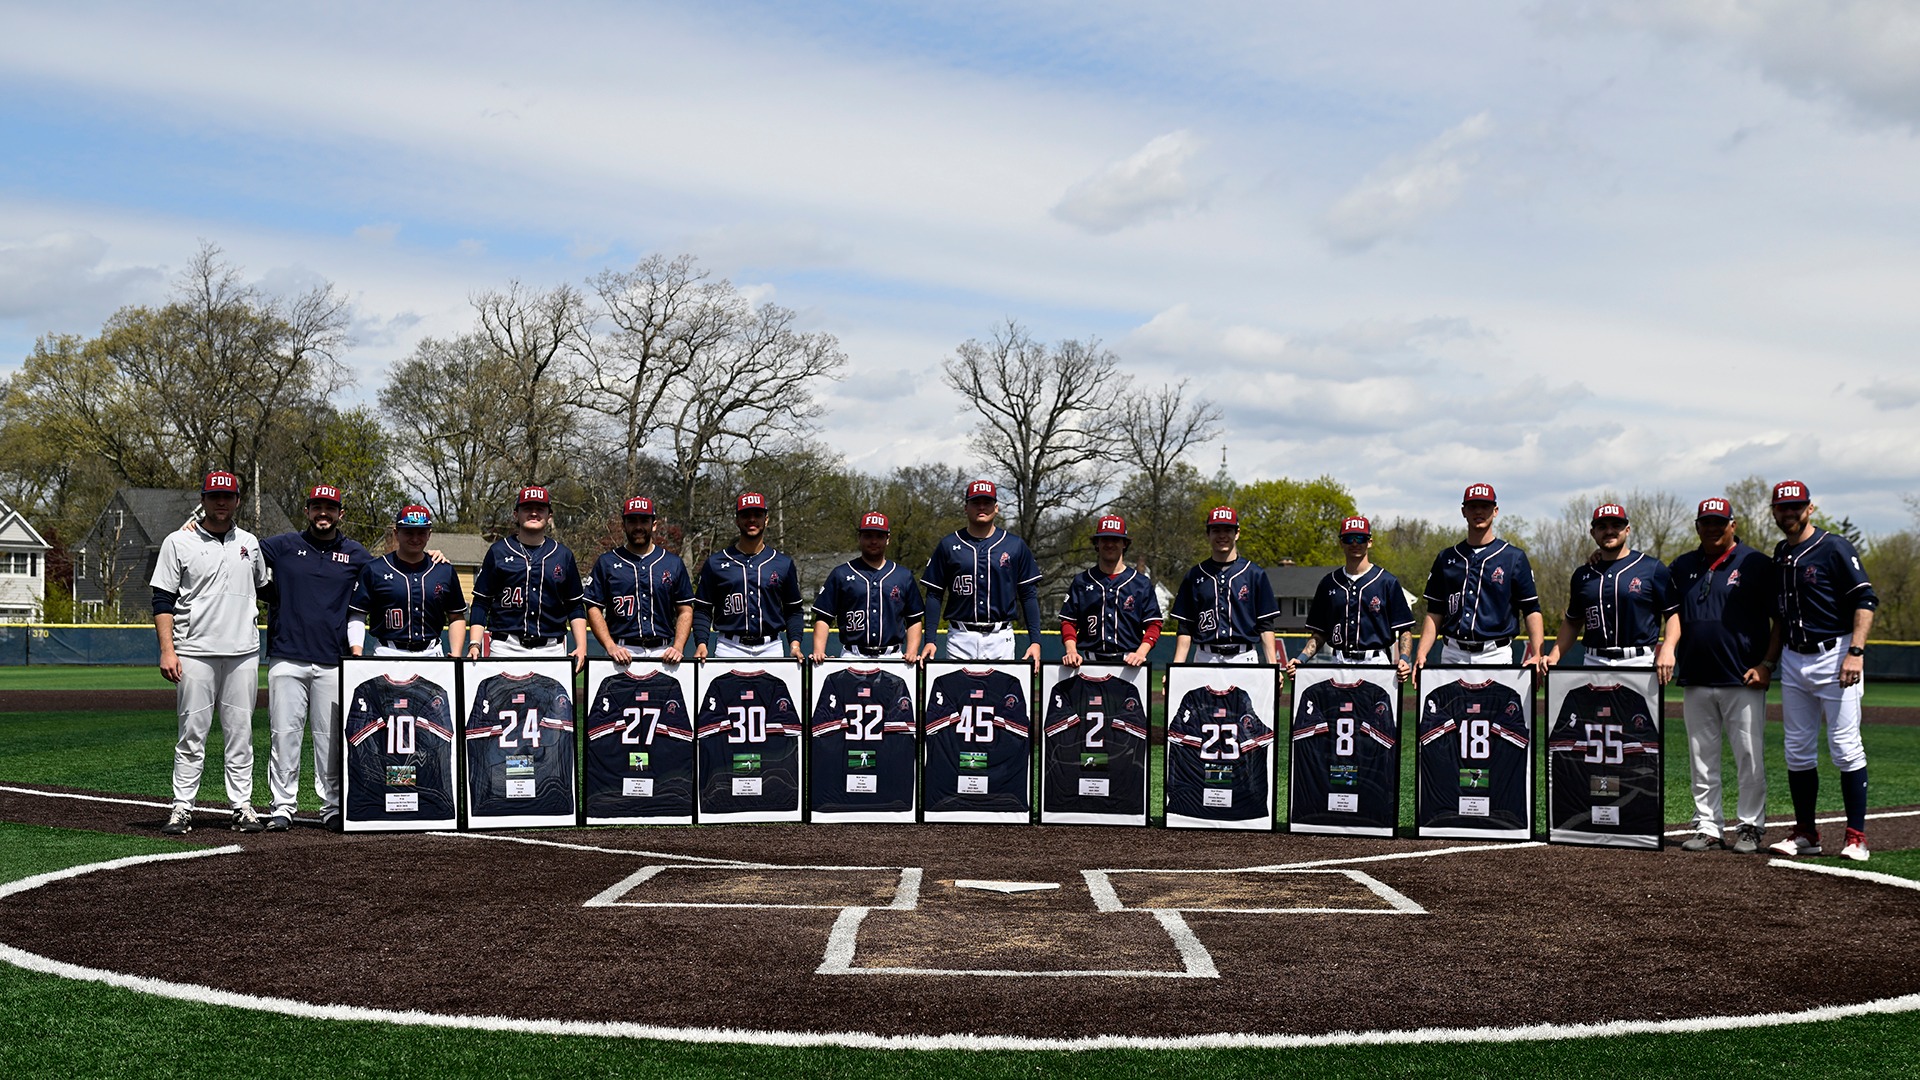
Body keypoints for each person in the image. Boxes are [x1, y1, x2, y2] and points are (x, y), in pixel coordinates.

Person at [151, 471, 271, 835]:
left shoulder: (249, 542)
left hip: (243, 651)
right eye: (214, 496)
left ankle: (242, 806)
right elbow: (162, 599)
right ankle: (182, 806)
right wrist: (167, 650)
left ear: (237, 501)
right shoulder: (178, 541)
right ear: (203, 499)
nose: (221, 502)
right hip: (194, 651)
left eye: (228, 496)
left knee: (241, 734)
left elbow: (266, 588)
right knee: (192, 733)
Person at [1764, 480, 1877, 862]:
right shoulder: (1781, 553)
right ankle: (1806, 833)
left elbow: (1865, 599)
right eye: (1782, 507)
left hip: (1835, 654)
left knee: (1845, 747)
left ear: (1809, 508)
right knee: (1797, 750)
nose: (1789, 512)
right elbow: (1779, 617)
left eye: (1796, 506)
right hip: (1794, 658)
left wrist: (1856, 652)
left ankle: (1856, 837)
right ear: (1774, 511)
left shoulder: (1834, 547)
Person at [1665, 497, 1777, 855]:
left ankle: (1750, 826)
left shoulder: (1756, 563)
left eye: (1719, 521)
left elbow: (1780, 619)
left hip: (1743, 676)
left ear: (1733, 524)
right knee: (1701, 759)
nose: (1712, 528)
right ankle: (1708, 826)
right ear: (1697, 526)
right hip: (1696, 676)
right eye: (1706, 522)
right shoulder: (1682, 565)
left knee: (1749, 757)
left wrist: (1767, 664)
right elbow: (1660, 598)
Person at [257, 483, 372, 832]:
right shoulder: (283, 545)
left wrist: (432, 554)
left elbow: (389, 572)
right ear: (306, 510)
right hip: (287, 655)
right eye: (317, 507)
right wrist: (198, 528)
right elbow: (239, 551)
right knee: (284, 736)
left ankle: (332, 807)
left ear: (341, 514)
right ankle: (282, 806)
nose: (324, 513)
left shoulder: (356, 554)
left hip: (333, 660)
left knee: (330, 741)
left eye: (330, 507)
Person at [1415, 483, 1545, 671]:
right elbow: (1435, 611)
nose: (1478, 511)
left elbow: (1531, 608)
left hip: (1495, 653)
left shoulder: (1513, 557)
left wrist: (1538, 654)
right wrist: (1421, 653)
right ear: (1463, 511)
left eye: (1485, 506)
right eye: (1472, 506)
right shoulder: (1446, 557)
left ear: (1495, 511)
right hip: (1453, 653)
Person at [1543, 503, 1679, 676]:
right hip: (1594, 661)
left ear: (1627, 530)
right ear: (1593, 533)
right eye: (1602, 527)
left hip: (1638, 661)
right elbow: (1573, 621)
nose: (1609, 531)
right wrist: (1554, 655)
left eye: (1616, 525)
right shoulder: (1582, 574)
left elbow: (1672, 613)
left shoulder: (1651, 568)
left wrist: (1668, 647)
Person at [918, 479, 1043, 663]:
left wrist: (1035, 641)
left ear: (996, 507)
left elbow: (1028, 594)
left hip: (1001, 638)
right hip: (960, 637)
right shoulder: (949, 544)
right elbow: (934, 594)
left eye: (987, 502)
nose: (982, 507)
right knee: (957, 683)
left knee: (1002, 684)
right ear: (966, 507)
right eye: (976, 502)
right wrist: (930, 640)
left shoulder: (1015, 545)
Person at [466, 486, 588, 669]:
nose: (534, 513)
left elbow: (575, 605)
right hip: (506, 647)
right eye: (527, 508)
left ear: (549, 515)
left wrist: (582, 647)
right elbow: (482, 602)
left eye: (540, 509)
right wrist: (475, 643)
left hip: (551, 649)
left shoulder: (563, 555)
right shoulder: (498, 551)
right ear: (516, 514)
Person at [1295, 515, 1415, 680]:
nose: (1354, 543)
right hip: (1339, 662)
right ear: (1341, 543)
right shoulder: (1329, 583)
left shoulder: (1386, 581)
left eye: (1360, 538)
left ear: (1369, 542)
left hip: (1376, 662)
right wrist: (1301, 659)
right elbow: (1320, 633)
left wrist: (1404, 659)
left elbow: (1404, 629)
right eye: (1349, 538)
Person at [692, 492, 805, 660]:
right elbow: (703, 609)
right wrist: (701, 643)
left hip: (771, 647)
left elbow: (793, 610)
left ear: (766, 519)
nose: (752, 520)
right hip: (729, 647)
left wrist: (795, 645)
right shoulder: (715, 563)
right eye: (746, 515)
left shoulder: (783, 563)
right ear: (737, 520)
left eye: (757, 515)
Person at [348, 504, 468, 658]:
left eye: (421, 532)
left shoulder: (443, 570)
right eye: (408, 532)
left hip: (432, 652)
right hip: (388, 652)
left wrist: (456, 654)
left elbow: (456, 616)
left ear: (429, 534)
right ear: (396, 533)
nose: (415, 538)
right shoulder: (375, 569)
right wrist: (357, 652)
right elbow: (358, 614)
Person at [585, 496, 693, 665]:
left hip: (663, 652)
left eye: (644, 521)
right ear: (623, 525)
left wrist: (678, 647)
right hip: (620, 652)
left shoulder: (672, 563)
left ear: (654, 524)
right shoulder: (607, 562)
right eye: (632, 521)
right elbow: (593, 607)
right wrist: (610, 646)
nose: (638, 527)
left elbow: (685, 609)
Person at [1170, 506, 1283, 666]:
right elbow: (1185, 627)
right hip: (1206, 657)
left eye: (1228, 530)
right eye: (1216, 530)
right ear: (1208, 534)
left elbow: (1266, 625)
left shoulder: (1254, 574)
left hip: (1244, 657)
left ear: (1237, 533)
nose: (1222, 535)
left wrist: (1273, 666)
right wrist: (1176, 668)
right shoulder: (1195, 575)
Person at [809, 511, 925, 661]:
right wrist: (819, 651)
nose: (874, 541)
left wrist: (912, 651)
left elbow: (914, 619)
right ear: (860, 537)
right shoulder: (841, 573)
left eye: (879, 536)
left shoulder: (903, 575)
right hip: (852, 655)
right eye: (868, 535)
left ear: (888, 539)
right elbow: (824, 617)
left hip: (893, 657)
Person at [1058, 514, 1161, 667]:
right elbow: (1068, 622)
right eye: (1105, 539)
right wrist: (1071, 650)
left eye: (1115, 539)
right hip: (1089, 662)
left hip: (1129, 663)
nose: (1110, 544)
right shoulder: (1082, 581)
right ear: (1097, 543)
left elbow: (1154, 624)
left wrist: (1141, 652)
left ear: (1124, 543)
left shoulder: (1141, 583)